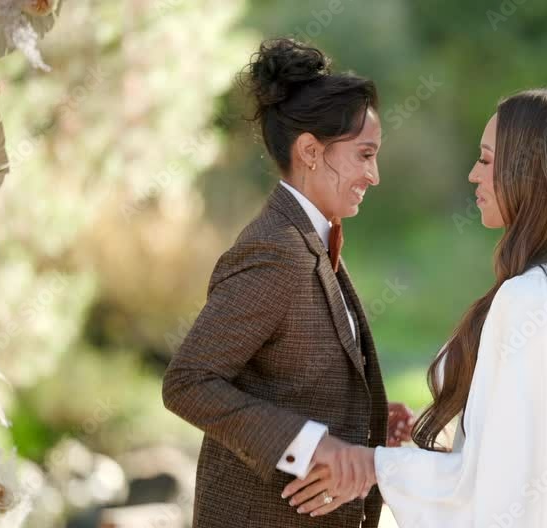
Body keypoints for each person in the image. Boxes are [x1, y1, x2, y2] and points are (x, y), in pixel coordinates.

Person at [285, 88, 547, 527]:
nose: (474, 174)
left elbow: (493, 495)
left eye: (486, 159)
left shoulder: (532, 299)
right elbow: (521, 460)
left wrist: (371, 466)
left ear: (526, 171)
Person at [162, 38, 414, 528]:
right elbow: (187, 382)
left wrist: (371, 424)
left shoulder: (311, 240)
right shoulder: (275, 250)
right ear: (310, 151)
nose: (374, 175)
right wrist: (312, 445)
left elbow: (293, 378)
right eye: (364, 155)